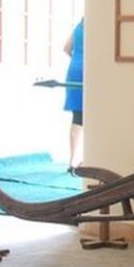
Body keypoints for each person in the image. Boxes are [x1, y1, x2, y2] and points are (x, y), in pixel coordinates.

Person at [63, 18, 84, 172]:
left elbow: (66, 48)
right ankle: (89, 158)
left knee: (77, 117)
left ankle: (72, 160)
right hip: (87, 70)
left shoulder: (79, 25)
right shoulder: (99, 25)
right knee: (91, 117)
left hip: (74, 69)